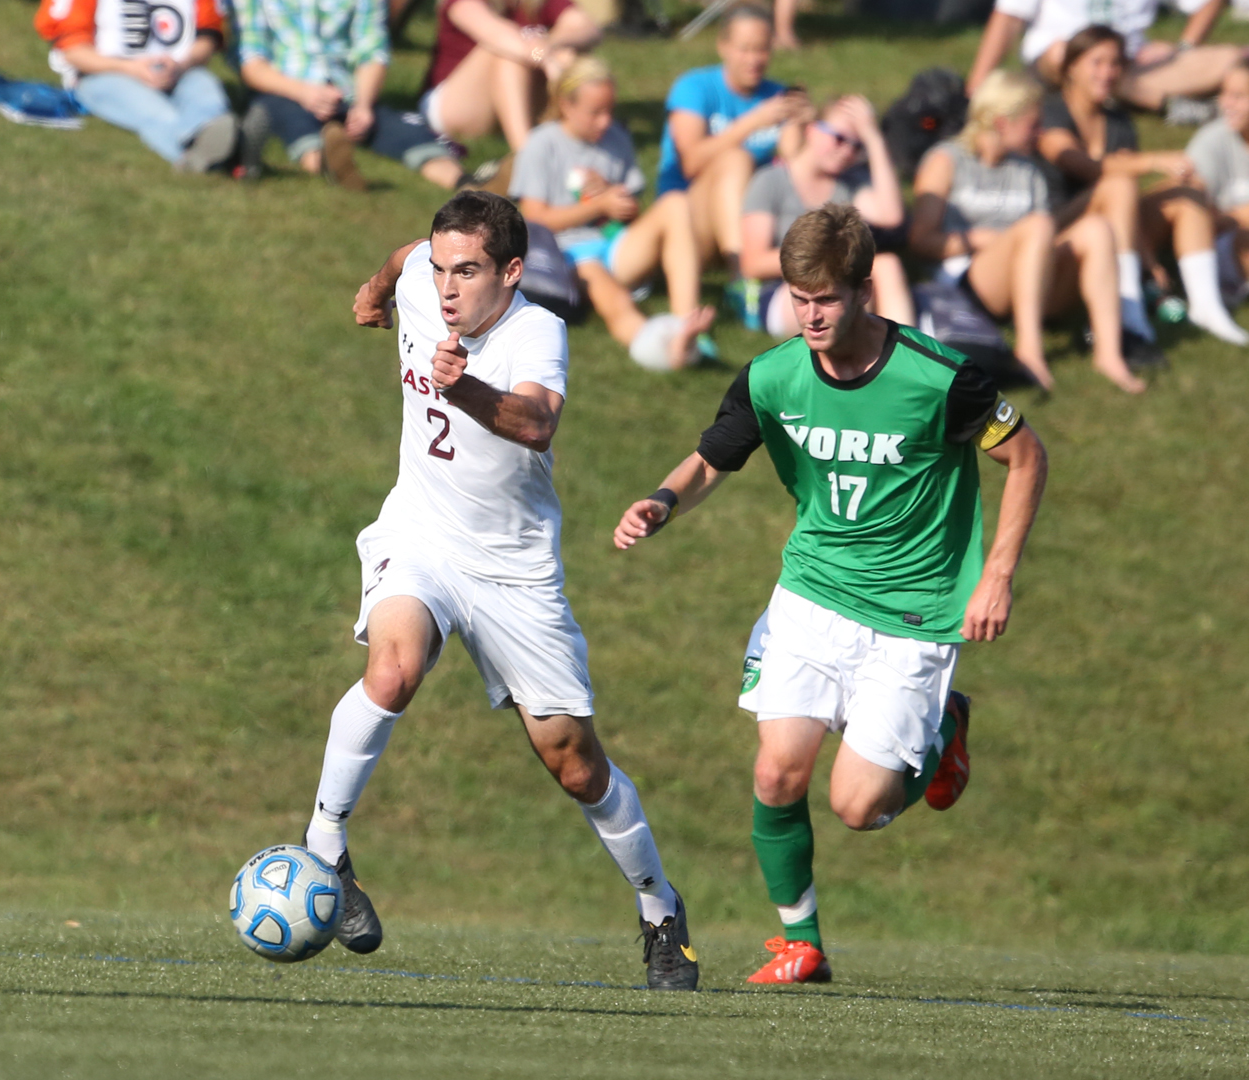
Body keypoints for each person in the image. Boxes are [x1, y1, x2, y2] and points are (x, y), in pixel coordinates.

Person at [614, 203, 1049, 984]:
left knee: (857, 806)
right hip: (812, 596)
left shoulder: (939, 378)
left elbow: (1027, 458)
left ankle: (946, 729)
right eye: (797, 296)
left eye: (826, 298)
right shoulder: (773, 375)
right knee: (777, 772)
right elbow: (714, 457)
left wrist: (998, 574)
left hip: (913, 613)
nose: (810, 314)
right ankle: (799, 941)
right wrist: (663, 500)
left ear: (864, 291)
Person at [314, 191, 699, 990]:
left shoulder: (537, 331)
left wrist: (464, 391)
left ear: (511, 272)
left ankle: (660, 909)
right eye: (440, 266)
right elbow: (401, 260)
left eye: (469, 271)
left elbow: (536, 423)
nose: (446, 286)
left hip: (514, 570)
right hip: (419, 533)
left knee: (575, 764)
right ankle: (327, 854)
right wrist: (377, 288)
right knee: (394, 670)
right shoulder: (422, 275)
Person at [911, 70, 1150, 393]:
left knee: (1096, 229)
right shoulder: (947, 160)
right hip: (970, 279)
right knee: (1037, 225)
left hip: (1030, 275)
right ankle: (1029, 349)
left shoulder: (1029, 170)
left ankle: (1108, 353)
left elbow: (1044, 236)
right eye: (1032, 124)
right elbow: (919, 240)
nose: (1039, 133)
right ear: (1001, 122)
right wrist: (978, 239)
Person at [1037, 25, 1248, 343]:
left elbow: (1127, 205)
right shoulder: (1050, 112)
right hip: (1062, 233)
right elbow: (1081, 166)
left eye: (1116, 63)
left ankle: (1206, 307)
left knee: (1185, 193)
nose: (1108, 72)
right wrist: (1152, 161)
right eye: (1098, 62)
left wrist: (1148, 258)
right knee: (1118, 184)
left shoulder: (1119, 122)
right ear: (1071, 66)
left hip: (1116, 229)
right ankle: (1130, 309)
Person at [511, 59, 716, 370]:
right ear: (566, 105)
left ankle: (685, 325)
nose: (605, 121)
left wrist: (619, 202)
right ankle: (657, 349)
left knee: (676, 203)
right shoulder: (542, 143)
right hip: (568, 255)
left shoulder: (617, 139)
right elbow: (535, 218)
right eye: (595, 113)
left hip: (614, 242)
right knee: (614, 298)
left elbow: (630, 214)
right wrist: (597, 205)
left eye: (610, 111)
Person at [235, 0, 464, 190]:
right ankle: (328, 164)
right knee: (294, 124)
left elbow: (373, 52)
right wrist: (304, 92)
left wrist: (363, 104)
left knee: (404, 131)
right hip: (284, 90)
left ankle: (467, 183)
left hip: (346, 92)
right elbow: (253, 64)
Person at [738, 94, 914, 335]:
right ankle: (875, 359)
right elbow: (752, 263)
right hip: (783, 293)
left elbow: (891, 216)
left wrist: (873, 139)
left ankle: (906, 356)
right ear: (812, 130)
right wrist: (825, 256)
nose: (847, 150)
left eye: (857, 145)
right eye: (839, 138)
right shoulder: (771, 180)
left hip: (836, 289)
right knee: (850, 280)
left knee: (887, 264)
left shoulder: (848, 186)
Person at [654, 4, 810, 265]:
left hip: (753, 218)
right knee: (736, 160)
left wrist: (805, 127)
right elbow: (690, 163)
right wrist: (752, 122)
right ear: (723, 46)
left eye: (761, 49)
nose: (754, 59)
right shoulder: (694, 88)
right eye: (744, 49)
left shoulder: (778, 96)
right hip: (689, 224)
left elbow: (793, 168)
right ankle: (741, 271)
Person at [35, 0, 238, 172]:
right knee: (157, 114)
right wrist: (130, 68)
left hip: (179, 70)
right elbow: (73, 51)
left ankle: (214, 140)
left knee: (205, 88)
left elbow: (208, 37)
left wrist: (181, 65)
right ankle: (203, 154)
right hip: (105, 74)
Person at [967, 0, 1247, 116]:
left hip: (1133, 66)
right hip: (1062, 63)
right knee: (1064, 53)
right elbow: (1007, 18)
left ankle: (1124, 94)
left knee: (1236, 59)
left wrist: (1184, 48)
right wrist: (976, 88)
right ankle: (1172, 107)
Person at [418, 0, 603, 152]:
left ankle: (582, 139)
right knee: (507, 56)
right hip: (450, 104)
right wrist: (544, 58)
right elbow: (499, 36)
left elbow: (586, 27)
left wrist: (551, 44)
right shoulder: (462, 3)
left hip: (511, 94)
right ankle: (526, 153)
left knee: (566, 53)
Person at [1185, 60, 1249, 289]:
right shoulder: (1210, 142)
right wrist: (1239, 216)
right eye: (1224, 94)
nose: (1226, 103)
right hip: (1223, 245)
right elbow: (1193, 214)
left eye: (1238, 96)